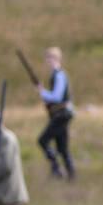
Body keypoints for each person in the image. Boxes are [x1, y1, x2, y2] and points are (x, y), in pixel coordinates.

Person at [35, 46, 75, 180]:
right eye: (47, 58)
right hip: (60, 113)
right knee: (62, 146)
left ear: (57, 59)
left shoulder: (59, 75)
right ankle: (70, 174)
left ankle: (56, 168)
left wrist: (43, 92)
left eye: (51, 58)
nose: (49, 61)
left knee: (43, 140)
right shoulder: (55, 75)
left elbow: (57, 97)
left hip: (62, 114)